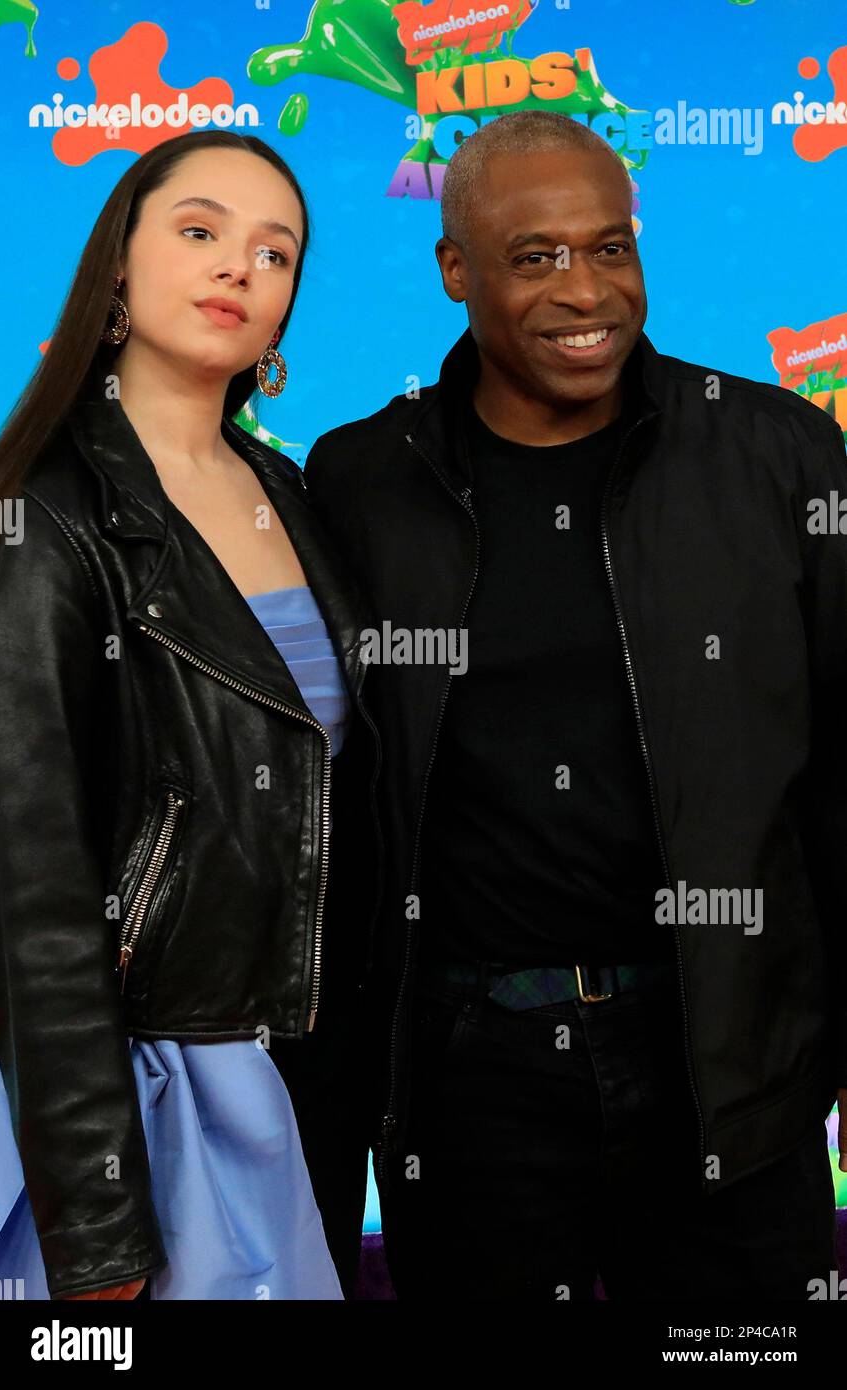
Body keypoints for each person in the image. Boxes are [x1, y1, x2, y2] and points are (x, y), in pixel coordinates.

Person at [303, 110, 847, 1300]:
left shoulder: (779, 455)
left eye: (608, 248)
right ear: (454, 268)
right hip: (467, 1080)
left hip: (727, 1058)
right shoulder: (357, 479)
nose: (582, 289)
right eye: (534, 256)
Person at [0, 129, 382, 1301]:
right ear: (117, 267)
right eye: (199, 232)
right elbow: (31, 903)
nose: (238, 269)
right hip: (135, 1101)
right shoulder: (39, 522)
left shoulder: (293, 493)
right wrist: (97, 1230)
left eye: (276, 253)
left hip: (284, 1087)